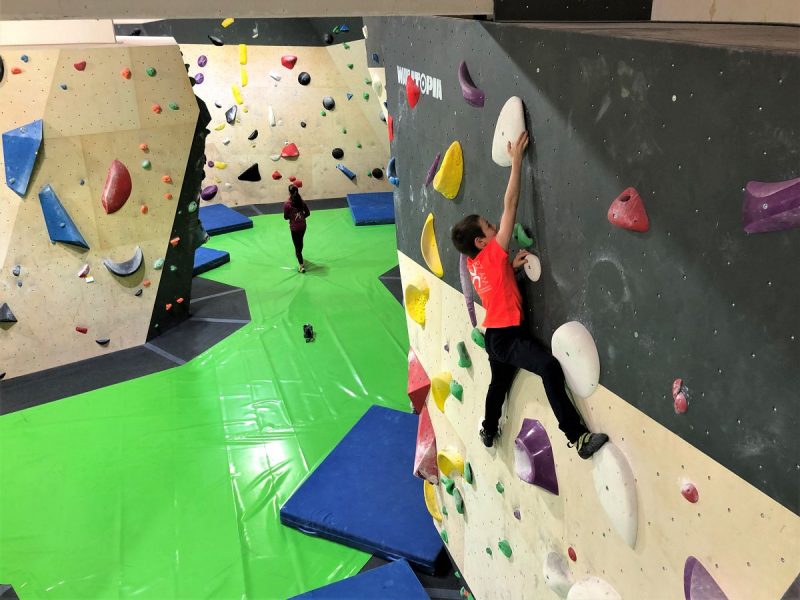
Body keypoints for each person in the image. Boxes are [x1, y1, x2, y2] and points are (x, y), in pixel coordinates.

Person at [450, 130, 608, 459]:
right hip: (507, 336)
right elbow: (511, 204)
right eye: (490, 227)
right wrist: (517, 161)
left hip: (496, 334)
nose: (496, 228)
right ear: (481, 242)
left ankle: (488, 428)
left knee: (498, 384)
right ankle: (577, 438)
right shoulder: (492, 255)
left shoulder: (477, 263)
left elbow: (494, 286)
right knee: (549, 367)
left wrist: (511, 269)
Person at [283, 184, 310, 272]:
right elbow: (308, 213)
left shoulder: (287, 204)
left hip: (294, 228)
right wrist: (301, 218)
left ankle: (301, 266)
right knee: (300, 241)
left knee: (297, 248)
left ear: (289, 192)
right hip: (303, 226)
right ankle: (300, 254)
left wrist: (293, 218)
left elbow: (285, 217)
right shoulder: (302, 202)